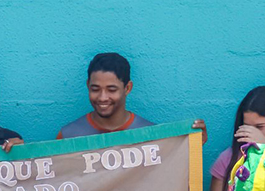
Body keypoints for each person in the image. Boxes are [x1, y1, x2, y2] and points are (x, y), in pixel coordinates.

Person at [57, 52, 207, 142]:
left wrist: (191, 145)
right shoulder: (68, 136)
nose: (102, 97)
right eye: (95, 89)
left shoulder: (152, 135)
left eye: (111, 89)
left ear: (127, 88)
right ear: (87, 85)